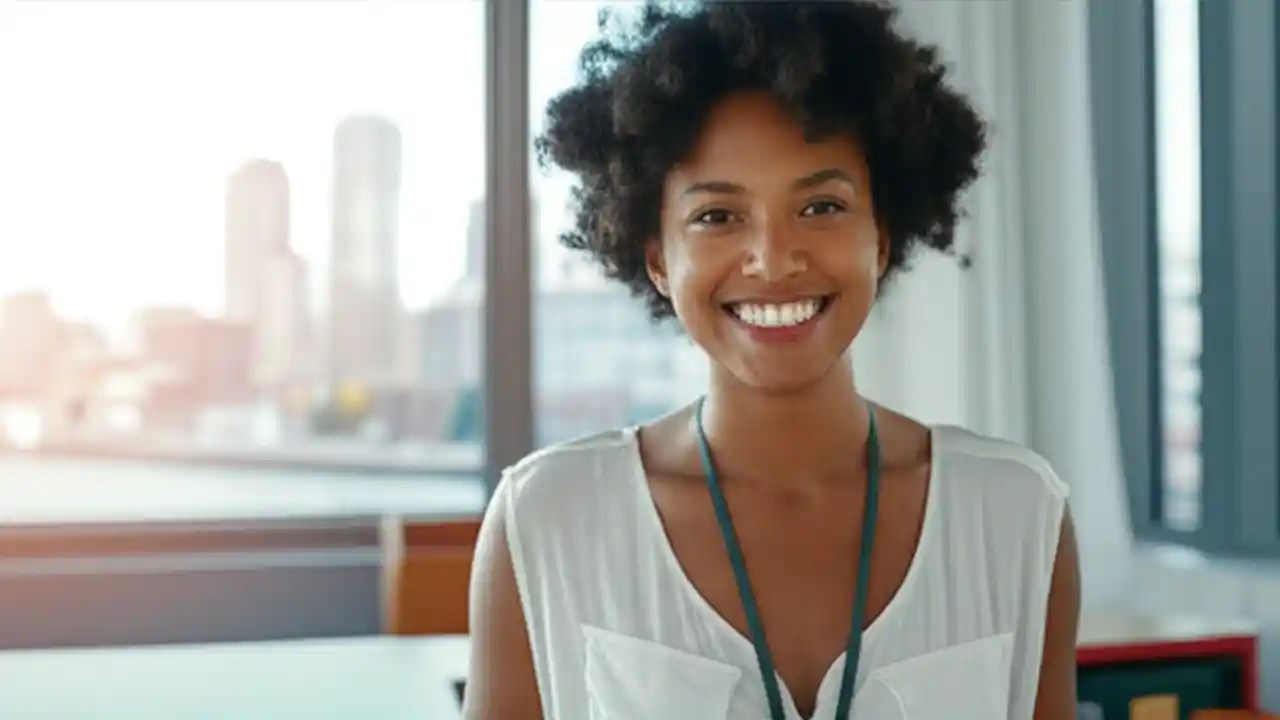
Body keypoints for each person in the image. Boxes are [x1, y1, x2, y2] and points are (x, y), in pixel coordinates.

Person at [465, 2, 1079, 718]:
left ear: (881, 236)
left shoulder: (1015, 514)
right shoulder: (546, 520)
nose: (773, 259)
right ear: (658, 256)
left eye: (820, 207)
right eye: (717, 216)